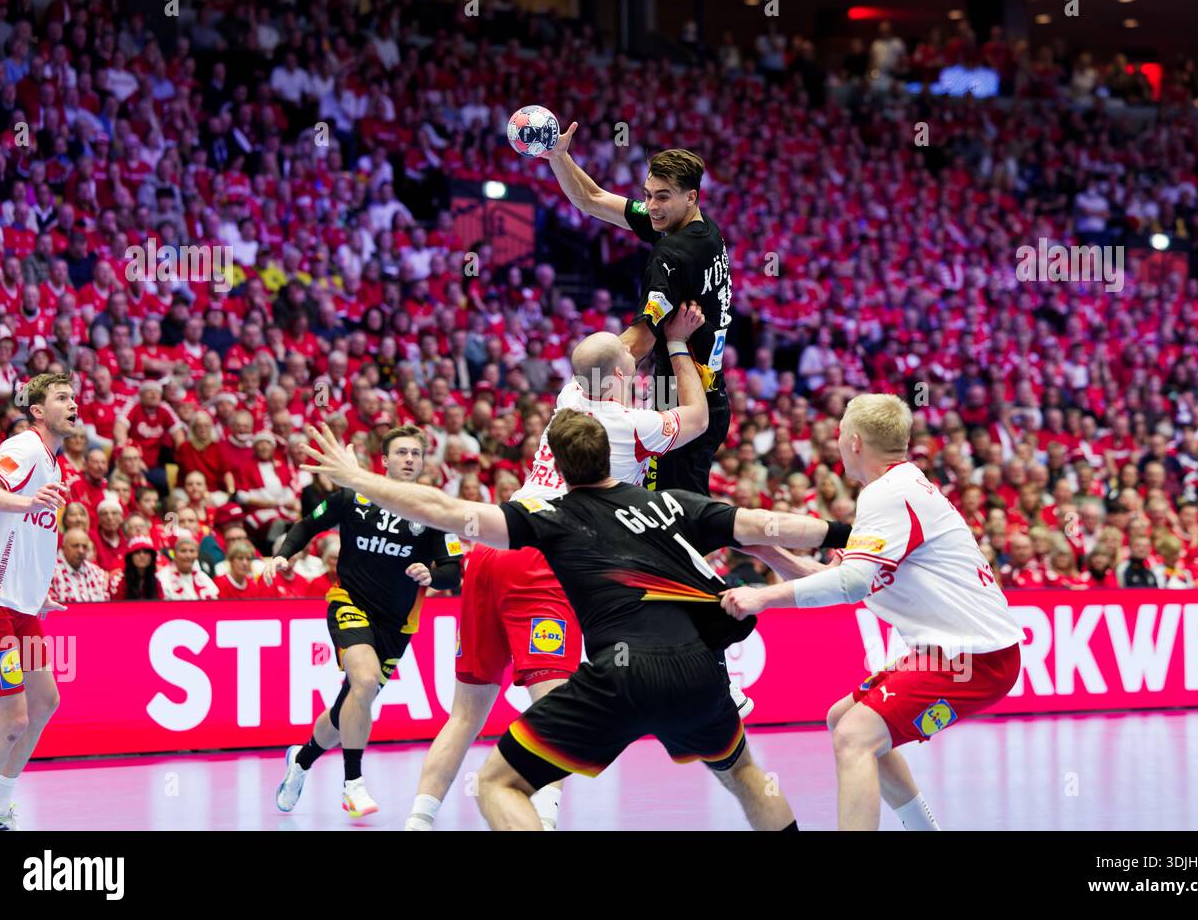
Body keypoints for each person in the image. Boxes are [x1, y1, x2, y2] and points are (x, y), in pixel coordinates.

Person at [300, 414, 854, 831]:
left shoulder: (550, 517)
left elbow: (444, 512)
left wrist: (356, 478)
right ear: (613, 460)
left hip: (619, 677)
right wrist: (849, 537)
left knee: (496, 782)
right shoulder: (673, 503)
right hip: (700, 671)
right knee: (747, 776)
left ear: (557, 470)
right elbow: (769, 524)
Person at [405, 308, 715, 831]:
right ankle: (542, 820)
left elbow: (606, 357)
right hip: (540, 556)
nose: (641, 381)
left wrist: (649, 322)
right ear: (621, 378)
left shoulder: (567, 401)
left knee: (465, 715)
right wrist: (679, 344)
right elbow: (699, 418)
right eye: (635, 376)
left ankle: (418, 820)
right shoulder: (631, 426)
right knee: (553, 710)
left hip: (491, 546)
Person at [721, 394, 1025, 831]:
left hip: (974, 659)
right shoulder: (898, 488)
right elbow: (839, 576)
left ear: (855, 441)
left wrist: (761, 598)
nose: (838, 437)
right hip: (956, 652)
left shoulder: (888, 496)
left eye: (841, 429)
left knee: (855, 736)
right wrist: (768, 552)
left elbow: (849, 585)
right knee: (843, 719)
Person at [269, 425, 463, 820]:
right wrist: (284, 554)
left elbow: (453, 571)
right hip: (350, 603)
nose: (409, 459)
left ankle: (301, 761)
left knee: (348, 708)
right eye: (402, 453)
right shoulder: (353, 498)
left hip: (397, 626)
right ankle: (352, 784)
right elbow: (309, 524)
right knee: (364, 680)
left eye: (416, 453)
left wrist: (431, 575)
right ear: (385, 461)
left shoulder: (433, 510)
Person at [543, 127, 733, 496]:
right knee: (666, 514)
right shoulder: (699, 227)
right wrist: (558, 157)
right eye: (648, 196)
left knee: (671, 521)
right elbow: (592, 199)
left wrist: (586, 382)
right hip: (699, 391)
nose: (653, 206)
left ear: (691, 196)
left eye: (662, 197)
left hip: (682, 400)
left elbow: (638, 342)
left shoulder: (673, 254)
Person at [0, 373, 73, 831]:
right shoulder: (25, 448)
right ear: (37, 410)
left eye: (74, 397)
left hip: (22, 607)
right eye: (61, 397)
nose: (73, 404)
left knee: (44, 700)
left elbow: (29, 535)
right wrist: (27, 501)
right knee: (11, 718)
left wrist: (38, 589)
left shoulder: (53, 463)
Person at [48, 528, 110, 604]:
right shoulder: (49, 572)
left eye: (84, 547)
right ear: (63, 547)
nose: (81, 551)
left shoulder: (97, 572)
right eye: (75, 546)